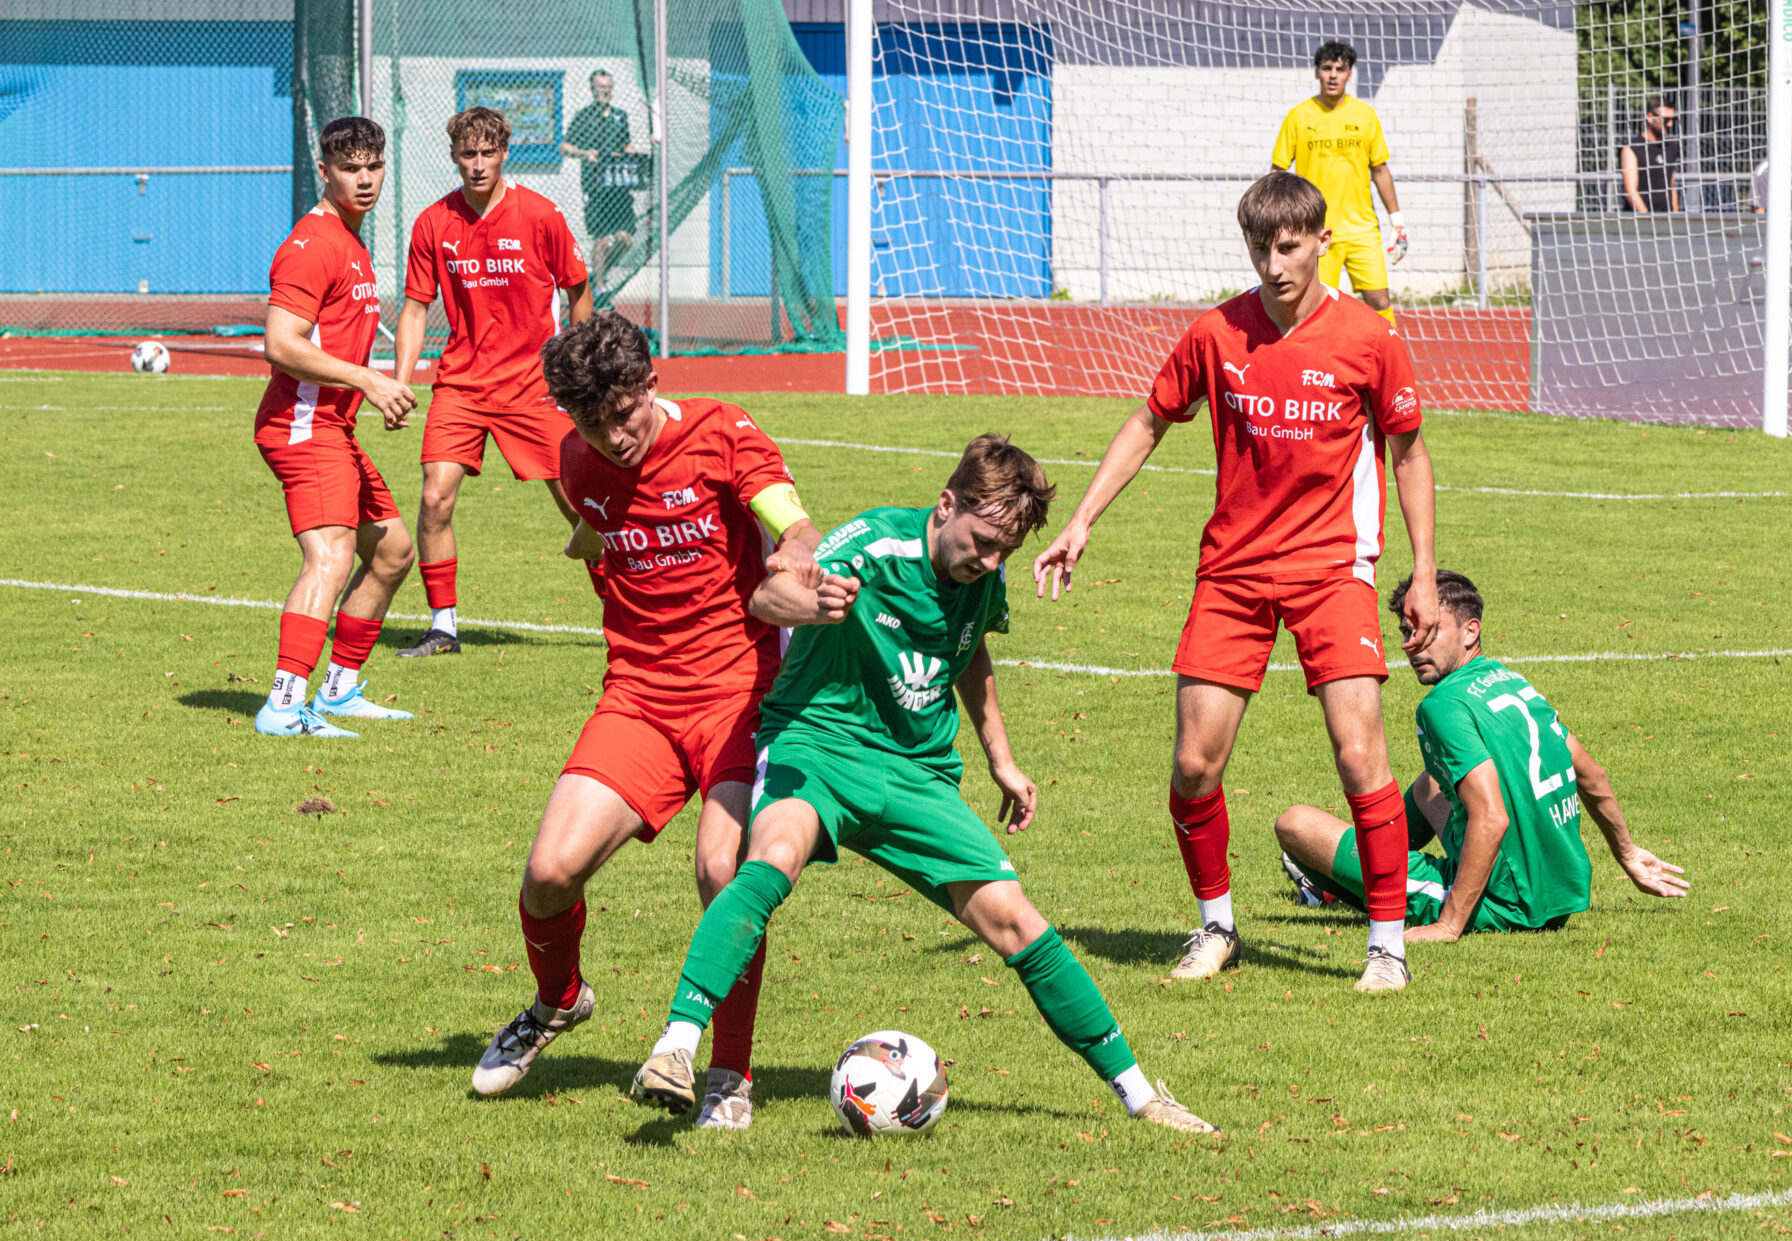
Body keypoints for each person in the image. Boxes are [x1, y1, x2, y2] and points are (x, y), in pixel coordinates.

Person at [630, 438, 1218, 1135]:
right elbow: (767, 593)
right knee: (769, 860)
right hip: (821, 744)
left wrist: (1000, 756)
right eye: (984, 542)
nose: (992, 562)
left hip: (919, 774)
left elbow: (970, 656)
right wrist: (812, 600)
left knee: (1017, 921)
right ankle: (677, 1049)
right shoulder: (875, 543)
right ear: (946, 505)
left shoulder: (982, 578)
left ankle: (1141, 1096)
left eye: (1005, 550)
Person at [1033, 171, 1439, 995]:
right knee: (1193, 764)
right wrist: (1081, 519)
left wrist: (1422, 574)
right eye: (1260, 248)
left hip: (1334, 570)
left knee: (1360, 754)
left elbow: (1411, 453)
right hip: (1234, 569)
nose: (1274, 263)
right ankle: (1217, 925)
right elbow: (1150, 421)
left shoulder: (1369, 337)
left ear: (1323, 242)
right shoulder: (1217, 333)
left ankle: (1387, 946)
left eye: (1289, 246)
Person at [468, 311, 822, 1130]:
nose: (615, 437)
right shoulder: (575, 460)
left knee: (721, 873)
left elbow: (790, 517)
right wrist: (594, 545)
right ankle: (559, 1004)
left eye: (624, 415)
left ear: (649, 384)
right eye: (594, 424)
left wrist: (798, 547)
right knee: (550, 873)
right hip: (637, 692)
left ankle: (728, 1076)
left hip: (740, 690)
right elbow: (598, 526)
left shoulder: (720, 433)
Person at [1276, 570, 1689, 949]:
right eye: (1406, 631)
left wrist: (1449, 924)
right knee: (1430, 784)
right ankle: (1375, 860)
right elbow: (1592, 775)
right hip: (1559, 892)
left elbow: (1492, 819)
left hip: (1506, 903)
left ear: (1470, 631)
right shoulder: (1509, 679)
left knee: (1295, 826)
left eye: (1427, 631)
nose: (1410, 645)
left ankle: (1333, 886)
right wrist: (1628, 853)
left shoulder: (1442, 705)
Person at [392, 106, 598, 659]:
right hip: (461, 385)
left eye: (488, 153)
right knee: (435, 498)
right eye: (468, 154)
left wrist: (579, 371)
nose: (478, 165)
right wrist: (400, 380)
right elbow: (414, 308)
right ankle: (443, 627)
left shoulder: (540, 215)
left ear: (505, 153)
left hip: (535, 387)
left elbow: (578, 292)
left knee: (581, 507)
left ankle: (630, 613)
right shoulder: (434, 223)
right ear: (454, 156)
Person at [251, 116, 418, 739]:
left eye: (374, 166)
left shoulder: (351, 240)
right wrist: (368, 381)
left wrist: (369, 386)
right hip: (302, 426)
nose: (365, 179)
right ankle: (284, 706)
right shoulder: (313, 243)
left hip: (333, 427)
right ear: (325, 172)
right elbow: (279, 343)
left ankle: (340, 692)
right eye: (351, 168)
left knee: (394, 552)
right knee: (330, 555)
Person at [1271, 40, 1406, 329]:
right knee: (1313, 307)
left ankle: (1390, 361)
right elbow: (1277, 172)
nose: (1333, 75)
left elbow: (1380, 169)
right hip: (1315, 231)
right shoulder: (1299, 116)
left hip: (1362, 229)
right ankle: (1313, 365)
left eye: (1340, 69)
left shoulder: (1365, 115)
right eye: (1327, 68)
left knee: (1379, 301)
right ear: (1317, 72)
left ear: (1350, 74)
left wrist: (1398, 222)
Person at [560, 70, 640, 283]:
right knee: (602, 240)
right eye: (601, 87)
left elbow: (625, 144)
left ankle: (599, 274)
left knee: (625, 239)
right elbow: (565, 146)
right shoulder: (584, 116)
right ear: (592, 89)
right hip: (596, 187)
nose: (606, 91)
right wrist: (584, 153)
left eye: (608, 87)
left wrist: (632, 151)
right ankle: (600, 287)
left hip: (619, 187)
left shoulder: (619, 116)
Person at [1621, 96, 1679, 213]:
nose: (1670, 124)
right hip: (1641, 223)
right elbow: (1631, 191)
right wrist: (1648, 220)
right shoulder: (1632, 149)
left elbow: (1672, 186)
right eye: (1666, 120)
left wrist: (1675, 217)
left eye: (1673, 120)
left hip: (1666, 222)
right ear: (1650, 117)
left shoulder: (1670, 147)